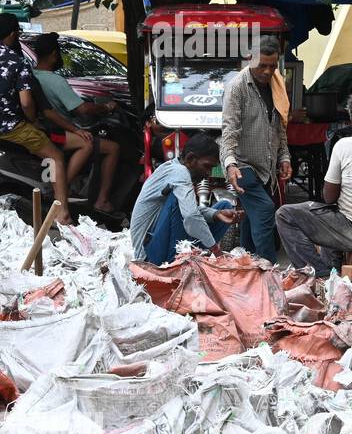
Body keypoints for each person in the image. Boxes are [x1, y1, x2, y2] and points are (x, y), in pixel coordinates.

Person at [276, 89, 352, 275]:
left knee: (285, 214)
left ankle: (319, 274)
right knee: (335, 215)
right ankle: (333, 270)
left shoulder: (344, 145)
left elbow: (328, 196)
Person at [30, 32, 123, 217]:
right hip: (56, 130)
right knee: (110, 147)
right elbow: (81, 109)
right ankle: (99, 199)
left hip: (48, 128)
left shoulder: (33, 74)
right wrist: (106, 107)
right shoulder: (55, 80)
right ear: (54, 55)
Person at [220, 35, 292, 260]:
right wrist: (230, 164)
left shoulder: (277, 85)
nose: (268, 71)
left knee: (252, 219)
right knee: (264, 209)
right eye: (262, 65)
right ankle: (267, 269)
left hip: (266, 166)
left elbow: (279, 128)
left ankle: (247, 266)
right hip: (242, 164)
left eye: (272, 66)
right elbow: (229, 131)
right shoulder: (237, 88)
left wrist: (284, 157)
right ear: (250, 60)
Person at [0, 14, 74, 222]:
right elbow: (26, 103)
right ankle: (62, 213)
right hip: (12, 127)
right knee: (56, 157)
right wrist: (33, 121)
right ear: (14, 34)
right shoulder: (17, 62)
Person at [129, 133, 238, 263]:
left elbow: (190, 212)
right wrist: (216, 250)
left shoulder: (177, 171)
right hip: (149, 254)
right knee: (180, 203)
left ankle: (195, 257)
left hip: (161, 241)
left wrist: (216, 214)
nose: (208, 174)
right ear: (191, 159)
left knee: (224, 206)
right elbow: (191, 216)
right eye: (207, 167)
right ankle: (179, 261)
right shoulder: (179, 172)